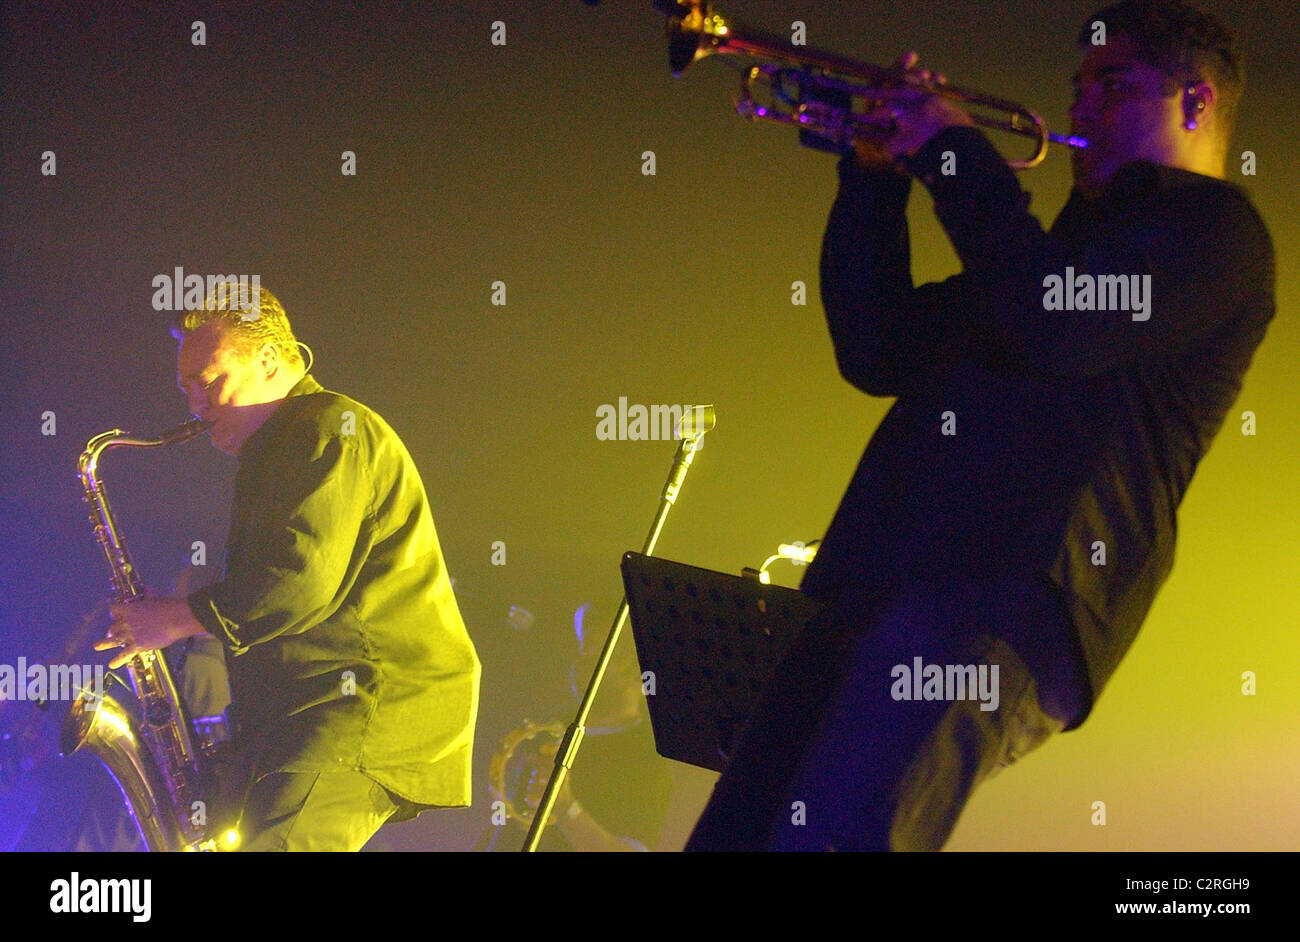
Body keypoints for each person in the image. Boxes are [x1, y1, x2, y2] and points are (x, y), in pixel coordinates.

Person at [686, 0, 1274, 851]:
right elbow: (879, 350)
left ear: (1195, 102)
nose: (1079, 107)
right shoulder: (1041, 254)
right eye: (1077, 86)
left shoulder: (1215, 237)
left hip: (1008, 595)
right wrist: (877, 179)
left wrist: (955, 152)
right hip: (876, 576)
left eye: (1112, 84)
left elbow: (1057, 319)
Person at [97, 284, 480, 851]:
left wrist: (175, 619)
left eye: (210, 381)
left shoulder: (329, 426)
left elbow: (298, 585)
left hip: (357, 706)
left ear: (270, 362)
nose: (195, 405)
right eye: (186, 389)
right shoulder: (279, 449)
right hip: (304, 715)